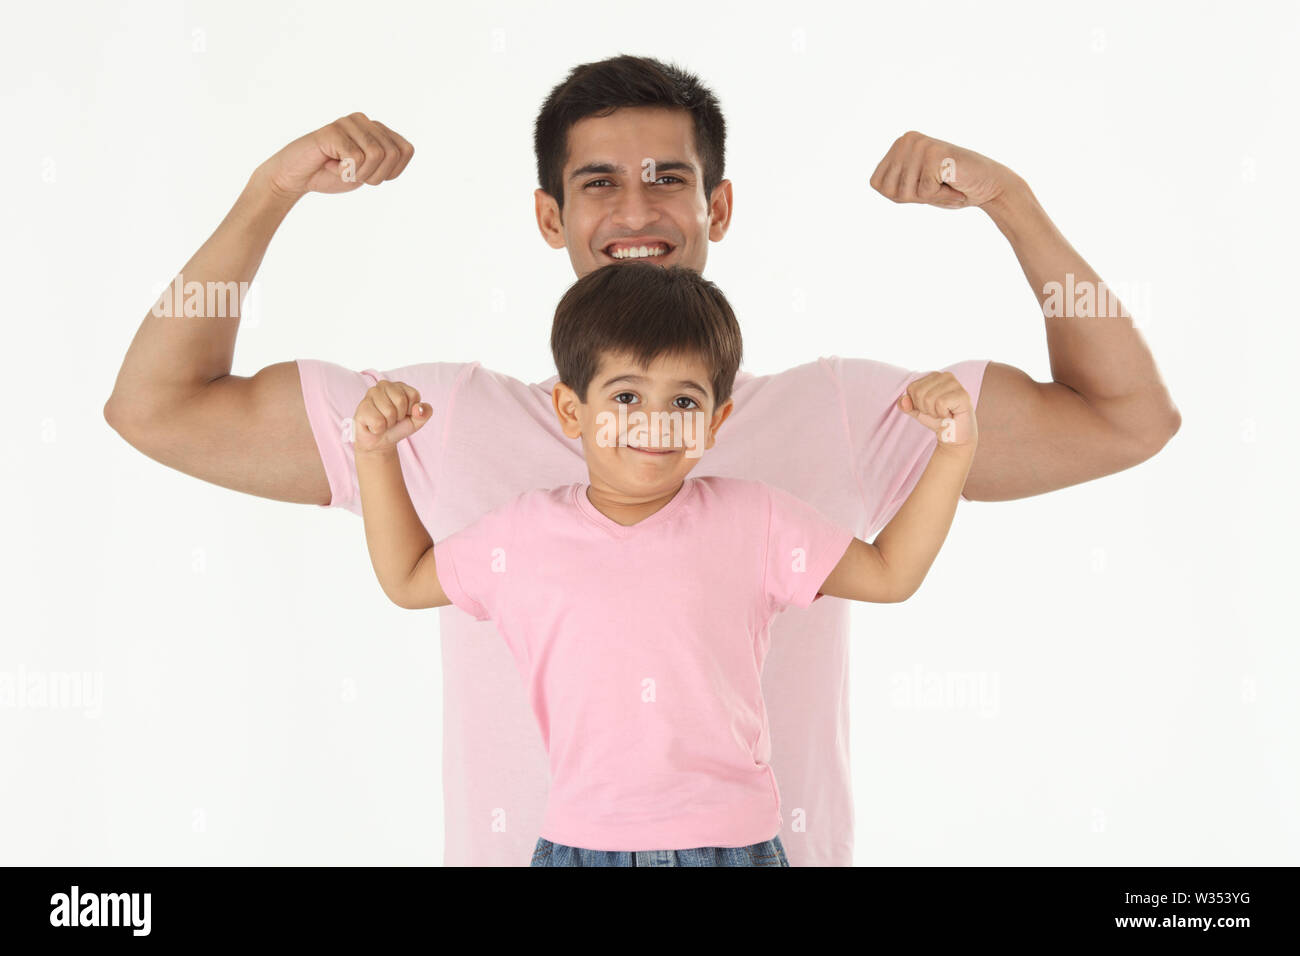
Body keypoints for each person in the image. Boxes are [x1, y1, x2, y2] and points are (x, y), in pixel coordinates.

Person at [104, 55, 1180, 866]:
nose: (633, 211)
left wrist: (1010, 202)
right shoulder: (436, 416)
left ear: (717, 206)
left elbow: (1125, 417)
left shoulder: (843, 410)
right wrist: (270, 187)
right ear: (548, 214)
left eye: (669, 179)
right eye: (597, 184)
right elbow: (158, 409)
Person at [351, 263, 977, 866]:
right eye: (626, 395)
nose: (654, 422)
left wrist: (952, 452)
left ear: (717, 420)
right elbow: (407, 579)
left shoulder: (757, 520)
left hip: (734, 848)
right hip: (580, 846)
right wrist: (377, 456)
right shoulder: (520, 534)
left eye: (683, 401)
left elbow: (890, 574)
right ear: (573, 411)